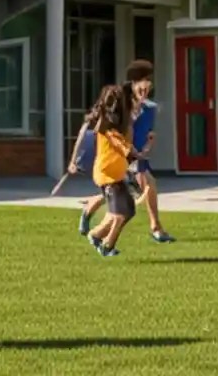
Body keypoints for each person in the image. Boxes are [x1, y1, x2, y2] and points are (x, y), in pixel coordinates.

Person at [74, 60, 172, 243]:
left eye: (148, 84)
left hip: (133, 157)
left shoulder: (148, 108)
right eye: (142, 83)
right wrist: (75, 158)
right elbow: (104, 130)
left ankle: (97, 226)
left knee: (124, 195)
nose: (146, 88)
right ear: (133, 83)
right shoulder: (120, 103)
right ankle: (151, 228)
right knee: (123, 196)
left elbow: (146, 134)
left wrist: (147, 146)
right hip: (119, 157)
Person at [85, 83, 139, 257]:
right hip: (108, 176)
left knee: (128, 209)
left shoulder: (119, 126)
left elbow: (125, 144)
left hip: (115, 174)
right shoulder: (106, 125)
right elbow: (121, 145)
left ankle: (97, 235)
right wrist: (133, 153)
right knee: (119, 214)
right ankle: (107, 245)